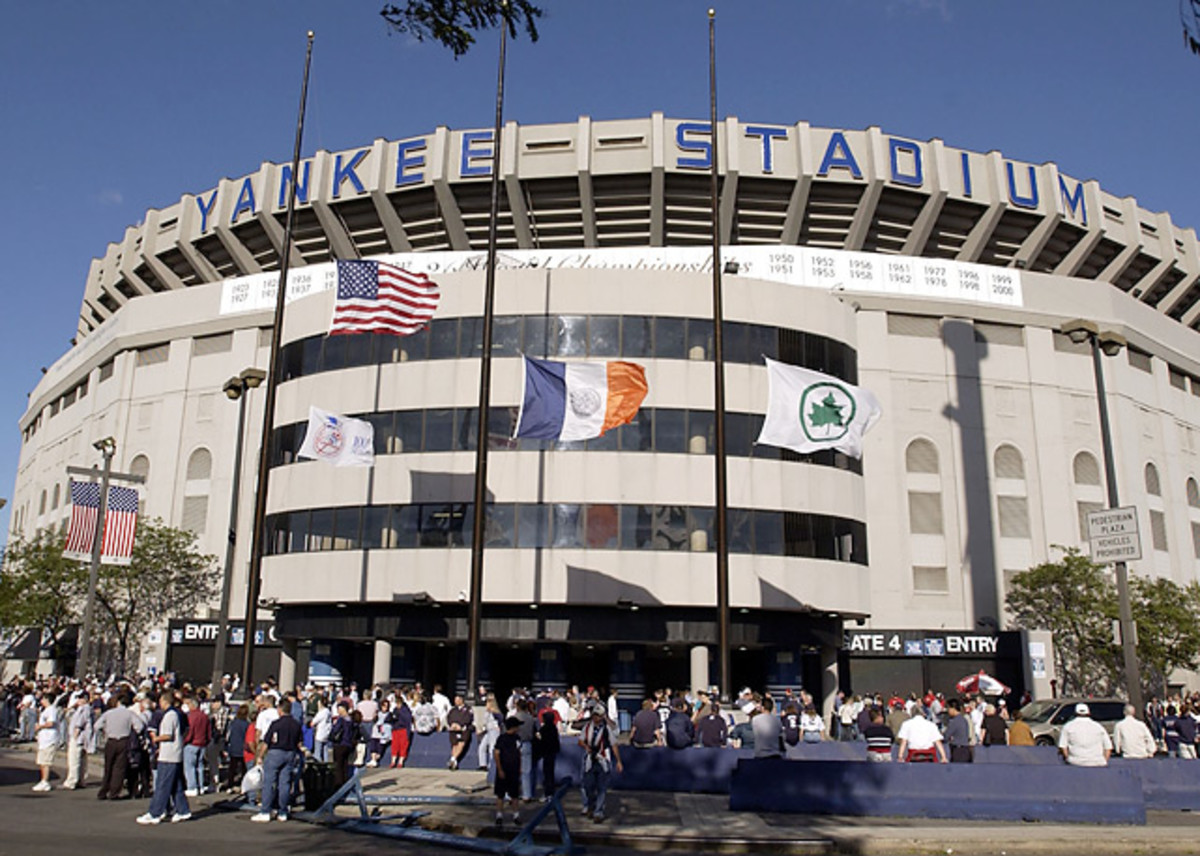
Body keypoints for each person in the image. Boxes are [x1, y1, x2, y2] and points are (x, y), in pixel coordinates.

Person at [137, 693, 190, 824]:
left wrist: (156, 739)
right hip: (175, 754)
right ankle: (182, 810)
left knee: (162, 785)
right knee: (175, 785)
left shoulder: (169, 715)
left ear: (164, 701)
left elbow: (168, 735)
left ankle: (155, 812)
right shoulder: (178, 714)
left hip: (168, 755)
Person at [254, 698, 304, 822]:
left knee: (269, 783)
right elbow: (300, 742)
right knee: (285, 783)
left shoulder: (276, 724)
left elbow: (266, 742)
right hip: (290, 753)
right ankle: (283, 811)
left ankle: (266, 811)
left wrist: (260, 756)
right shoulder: (296, 724)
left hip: (275, 752)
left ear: (280, 710)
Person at [578, 704, 622, 823]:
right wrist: (585, 746)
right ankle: (589, 805)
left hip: (602, 759)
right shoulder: (587, 727)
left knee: (602, 787)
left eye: (598, 716)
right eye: (594, 715)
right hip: (589, 759)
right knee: (588, 785)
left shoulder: (607, 729)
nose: (596, 718)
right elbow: (581, 740)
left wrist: (618, 761)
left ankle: (599, 812)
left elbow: (614, 744)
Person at [1058, 703, 1112, 767]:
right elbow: (1108, 747)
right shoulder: (1098, 726)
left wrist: (1068, 758)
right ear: (1088, 713)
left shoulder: (1068, 726)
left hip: (1075, 762)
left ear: (1075, 713)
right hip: (1098, 762)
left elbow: (1063, 747)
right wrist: (1104, 760)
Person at [493, 716, 523, 827]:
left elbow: (519, 752)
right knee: (500, 794)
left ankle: (516, 815)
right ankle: (499, 815)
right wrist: (500, 769)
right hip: (504, 768)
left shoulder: (517, 738)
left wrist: (520, 767)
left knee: (515, 794)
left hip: (514, 770)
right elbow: (496, 753)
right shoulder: (502, 739)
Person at [62, 693, 95, 789]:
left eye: (80, 699)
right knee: (81, 761)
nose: (78, 701)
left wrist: (75, 735)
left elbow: (80, 722)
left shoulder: (84, 708)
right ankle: (80, 780)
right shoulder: (86, 708)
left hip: (79, 737)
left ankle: (72, 781)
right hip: (83, 738)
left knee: (74, 760)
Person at [32, 694, 60, 792]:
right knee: (42, 762)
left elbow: (51, 723)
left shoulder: (52, 710)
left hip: (49, 739)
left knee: (46, 762)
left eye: (43, 698)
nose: (41, 700)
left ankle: (45, 781)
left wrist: (40, 726)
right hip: (43, 740)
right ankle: (43, 780)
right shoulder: (45, 710)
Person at [535, 709, 561, 799]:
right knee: (550, 772)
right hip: (552, 752)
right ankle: (551, 791)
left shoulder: (544, 728)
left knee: (547, 773)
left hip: (546, 752)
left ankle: (548, 792)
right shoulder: (554, 728)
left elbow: (541, 740)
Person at [225, 703, 251, 792]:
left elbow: (229, 734)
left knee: (232, 768)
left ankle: (230, 785)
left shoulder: (233, 723)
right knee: (244, 769)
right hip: (243, 748)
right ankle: (243, 785)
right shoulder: (247, 724)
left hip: (234, 746)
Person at [446, 695, 475, 770]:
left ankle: (452, 759)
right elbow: (449, 718)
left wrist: (461, 725)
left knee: (461, 744)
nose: (456, 701)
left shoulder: (468, 709)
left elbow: (469, 718)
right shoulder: (453, 710)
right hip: (453, 730)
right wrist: (452, 724)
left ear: (461, 700)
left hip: (464, 730)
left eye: (457, 699)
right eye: (455, 700)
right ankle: (454, 761)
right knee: (454, 745)